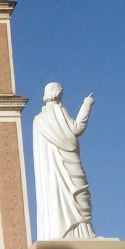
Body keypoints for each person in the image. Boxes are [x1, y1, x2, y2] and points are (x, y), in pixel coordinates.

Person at [33, 82, 97, 239]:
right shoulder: (58, 111)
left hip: (54, 168)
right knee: (79, 193)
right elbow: (77, 128)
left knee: (70, 195)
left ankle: (66, 231)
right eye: (61, 90)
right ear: (57, 93)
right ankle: (81, 232)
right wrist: (86, 105)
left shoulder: (38, 120)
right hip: (67, 161)